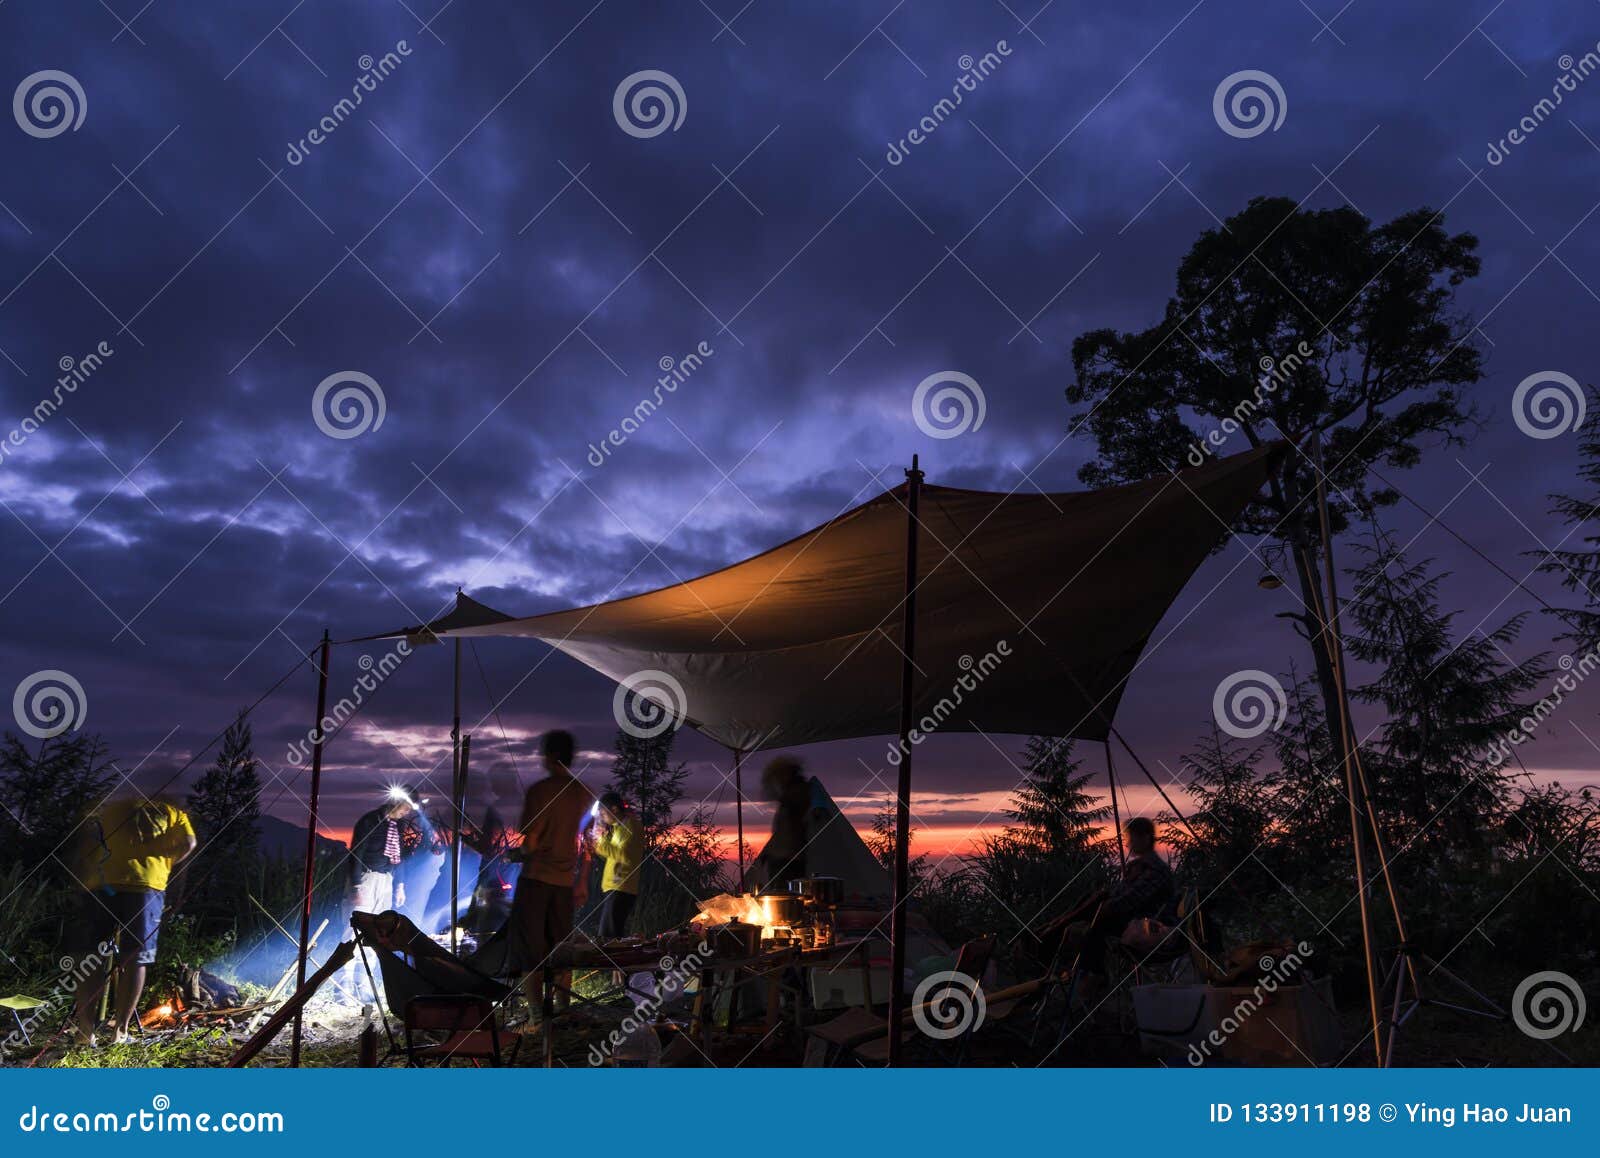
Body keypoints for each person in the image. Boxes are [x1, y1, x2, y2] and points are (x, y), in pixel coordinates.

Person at [71, 795, 197, 1046]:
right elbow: (189, 843)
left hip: (102, 883)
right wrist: (165, 861)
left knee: (91, 956)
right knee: (136, 957)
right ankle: (120, 1032)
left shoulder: (114, 806)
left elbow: (88, 840)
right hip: (145, 886)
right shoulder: (173, 812)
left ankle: (86, 1032)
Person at [506, 730, 592, 1021]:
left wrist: (515, 854)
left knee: (532, 949)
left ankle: (536, 1016)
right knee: (561, 947)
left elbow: (531, 843)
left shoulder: (540, 792)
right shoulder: (583, 793)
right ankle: (561, 1007)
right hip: (565, 883)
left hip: (537, 879)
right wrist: (582, 881)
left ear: (550, 756)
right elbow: (588, 844)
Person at [1047, 817, 1175, 978]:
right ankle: (1062, 941)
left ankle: (1090, 974)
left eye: (1132, 838)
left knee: (1097, 923)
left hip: (1148, 927)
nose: (1128, 844)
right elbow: (1119, 896)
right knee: (1095, 904)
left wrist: (1104, 906)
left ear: (1145, 837)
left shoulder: (1155, 870)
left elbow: (1128, 900)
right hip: (1134, 921)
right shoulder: (1139, 867)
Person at [348, 790, 420, 916]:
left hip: (386, 879)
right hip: (366, 877)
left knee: (380, 925)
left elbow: (399, 857)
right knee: (358, 923)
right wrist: (356, 886)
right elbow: (356, 852)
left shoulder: (399, 825)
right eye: (406, 806)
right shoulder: (370, 820)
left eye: (410, 808)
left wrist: (400, 887)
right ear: (396, 801)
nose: (408, 811)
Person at [588, 792, 644, 940]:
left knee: (607, 937)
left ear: (614, 809)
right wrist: (600, 841)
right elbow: (612, 855)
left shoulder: (631, 827)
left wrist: (599, 841)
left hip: (621, 887)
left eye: (602, 812)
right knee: (611, 936)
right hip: (615, 887)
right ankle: (614, 960)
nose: (601, 816)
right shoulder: (619, 828)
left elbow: (625, 856)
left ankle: (611, 962)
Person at [750, 756, 811, 890]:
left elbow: (791, 831)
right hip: (782, 858)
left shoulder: (797, 794)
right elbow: (781, 832)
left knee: (785, 896)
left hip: (789, 859)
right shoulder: (792, 797)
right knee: (782, 894)